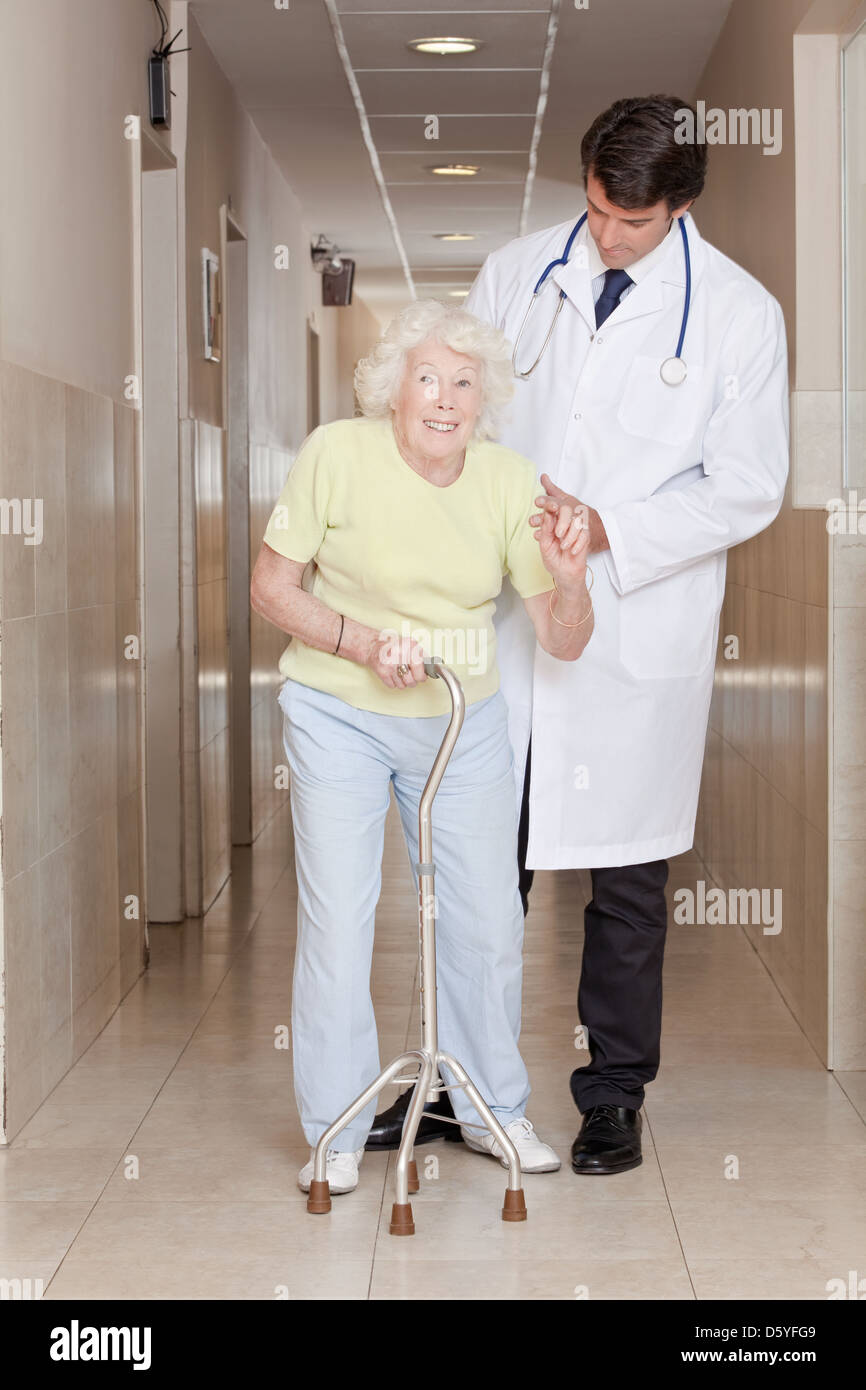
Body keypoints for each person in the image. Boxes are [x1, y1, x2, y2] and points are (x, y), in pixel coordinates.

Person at [372, 95, 789, 1174]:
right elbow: (465, 404)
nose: (605, 237)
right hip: (506, 614)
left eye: (631, 225)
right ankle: (458, 1080)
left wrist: (607, 525)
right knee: (475, 859)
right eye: (597, 210)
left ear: (682, 204)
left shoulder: (737, 314)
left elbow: (747, 487)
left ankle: (610, 1095)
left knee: (627, 883)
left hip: (632, 624)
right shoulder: (516, 272)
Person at [250, 299, 594, 1195]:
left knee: (486, 918)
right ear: (394, 389)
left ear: (484, 401)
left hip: (460, 719)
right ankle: (337, 1127)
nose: (444, 399)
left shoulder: (510, 481)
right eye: (427, 377)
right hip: (337, 714)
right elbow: (271, 588)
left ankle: (489, 1108)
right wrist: (362, 644)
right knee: (340, 917)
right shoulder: (337, 454)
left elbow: (564, 640)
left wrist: (570, 579)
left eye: (464, 383)